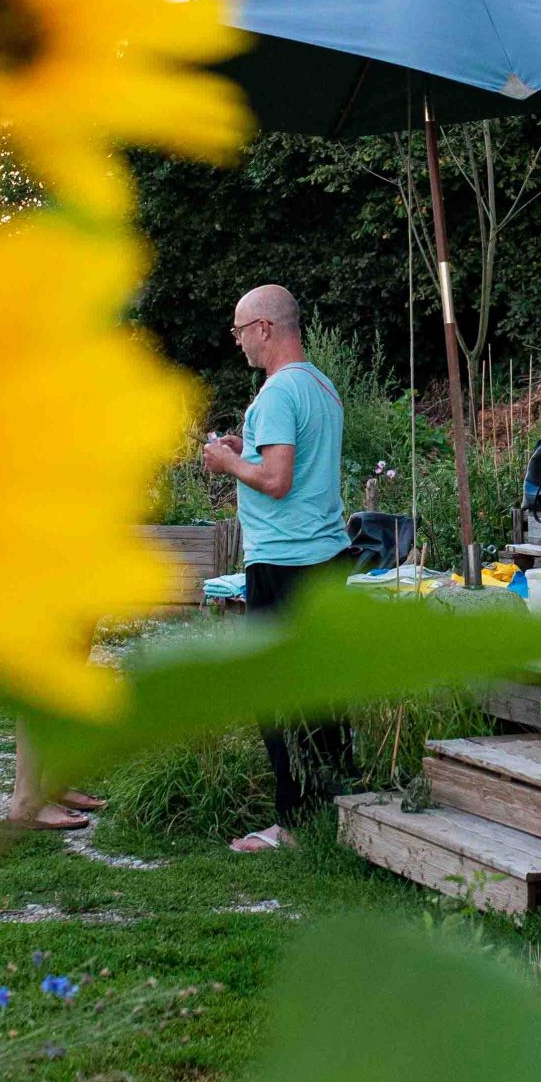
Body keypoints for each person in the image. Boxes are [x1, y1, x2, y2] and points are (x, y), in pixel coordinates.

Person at [198, 284, 351, 852]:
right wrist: (249, 447)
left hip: (285, 561)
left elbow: (278, 481)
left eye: (239, 331)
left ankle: (291, 825)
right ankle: (335, 805)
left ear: (264, 327)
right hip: (327, 555)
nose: (237, 342)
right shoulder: (320, 386)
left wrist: (228, 459)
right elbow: (294, 461)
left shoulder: (278, 392)